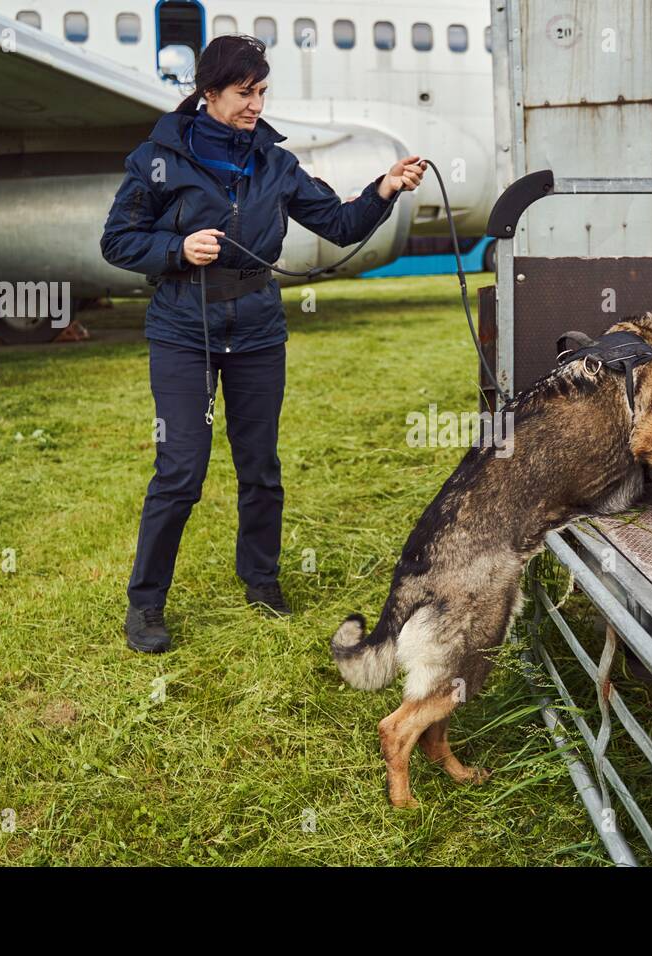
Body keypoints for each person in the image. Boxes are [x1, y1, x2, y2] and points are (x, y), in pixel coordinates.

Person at [100, 35, 423, 653]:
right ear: (210, 92)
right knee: (181, 470)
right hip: (181, 329)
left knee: (261, 468)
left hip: (256, 331)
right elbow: (117, 240)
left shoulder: (275, 162)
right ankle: (146, 606)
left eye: (262, 92)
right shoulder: (158, 156)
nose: (255, 104)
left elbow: (336, 222)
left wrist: (383, 189)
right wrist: (176, 250)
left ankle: (262, 581)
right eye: (244, 93)